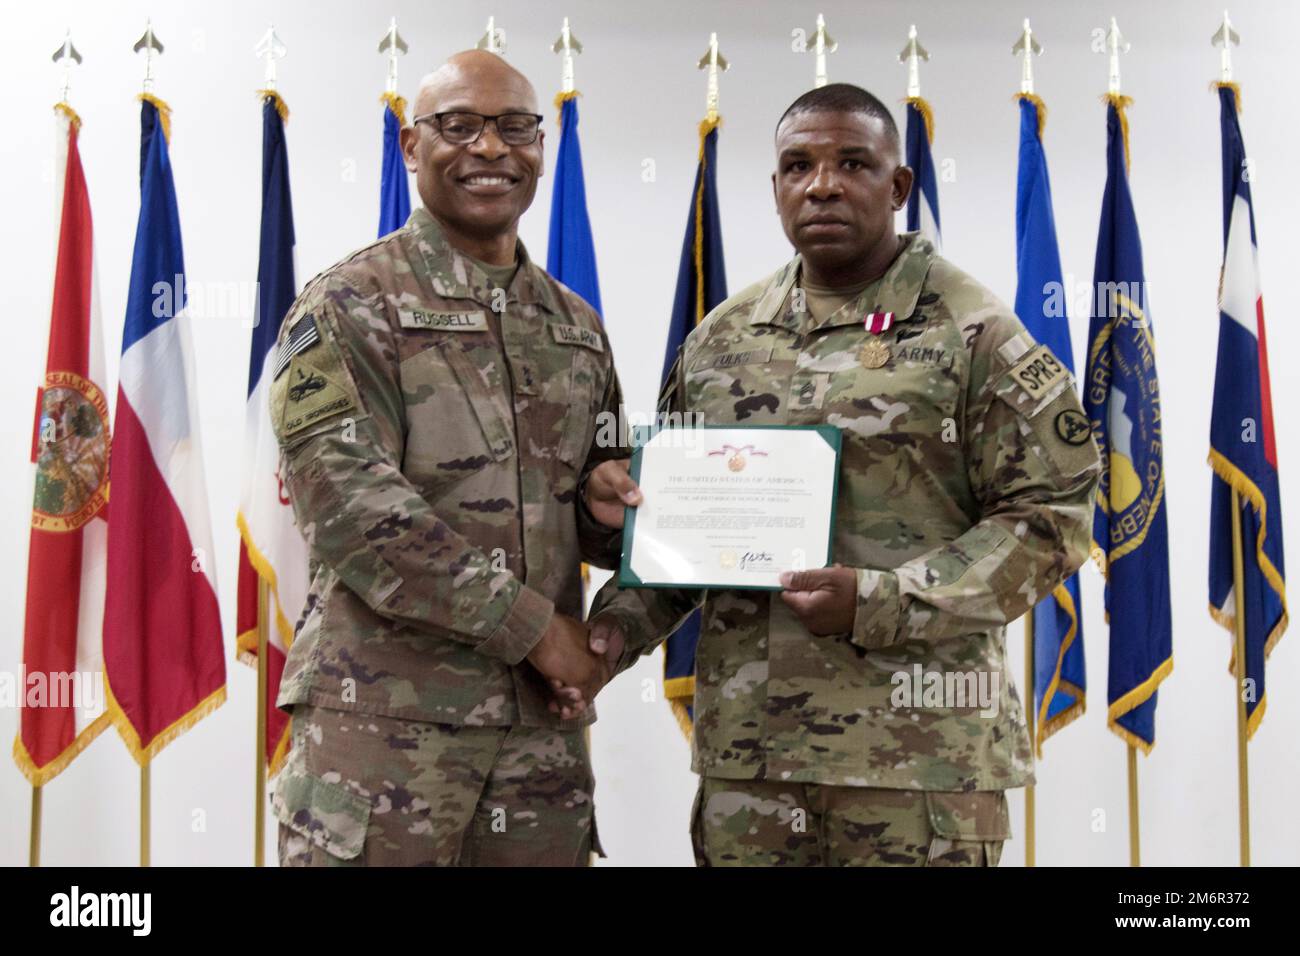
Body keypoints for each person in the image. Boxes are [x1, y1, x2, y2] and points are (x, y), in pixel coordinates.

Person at [579, 83, 1102, 866]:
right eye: (798, 166)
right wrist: (603, 638)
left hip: (917, 768)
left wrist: (883, 600)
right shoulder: (722, 340)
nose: (821, 183)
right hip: (750, 767)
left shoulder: (974, 331)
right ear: (776, 189)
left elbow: (1051, 518)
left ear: (898, 187)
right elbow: (682, 536)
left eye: (852, 162)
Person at [267, 49, 630, 866]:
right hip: (383, 736)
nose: (491, 149)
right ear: (408, 145)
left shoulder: (575, 325)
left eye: (515, 128)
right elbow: (354, 517)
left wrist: (608, 515)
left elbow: (603, 497)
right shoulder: (348, 305)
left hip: (540, 742)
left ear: (543, 144)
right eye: (458, 126)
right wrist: (539, 631)